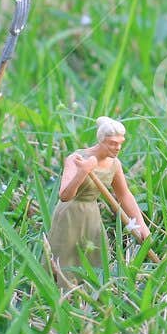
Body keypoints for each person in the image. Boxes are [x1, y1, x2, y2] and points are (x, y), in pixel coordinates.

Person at [48, 116, 150, 287]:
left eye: (120, 143)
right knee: (66, 251)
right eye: (112, 143)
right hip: (70, 213)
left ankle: (93, 287)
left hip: (91, 214)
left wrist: (141, 224)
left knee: (94, 252)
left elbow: (124, 195)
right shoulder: (77, 159)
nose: (117, 148)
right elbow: (65, 195)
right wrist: (83, 172)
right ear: (101, 140)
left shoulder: (114, 164)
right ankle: (62, 288)